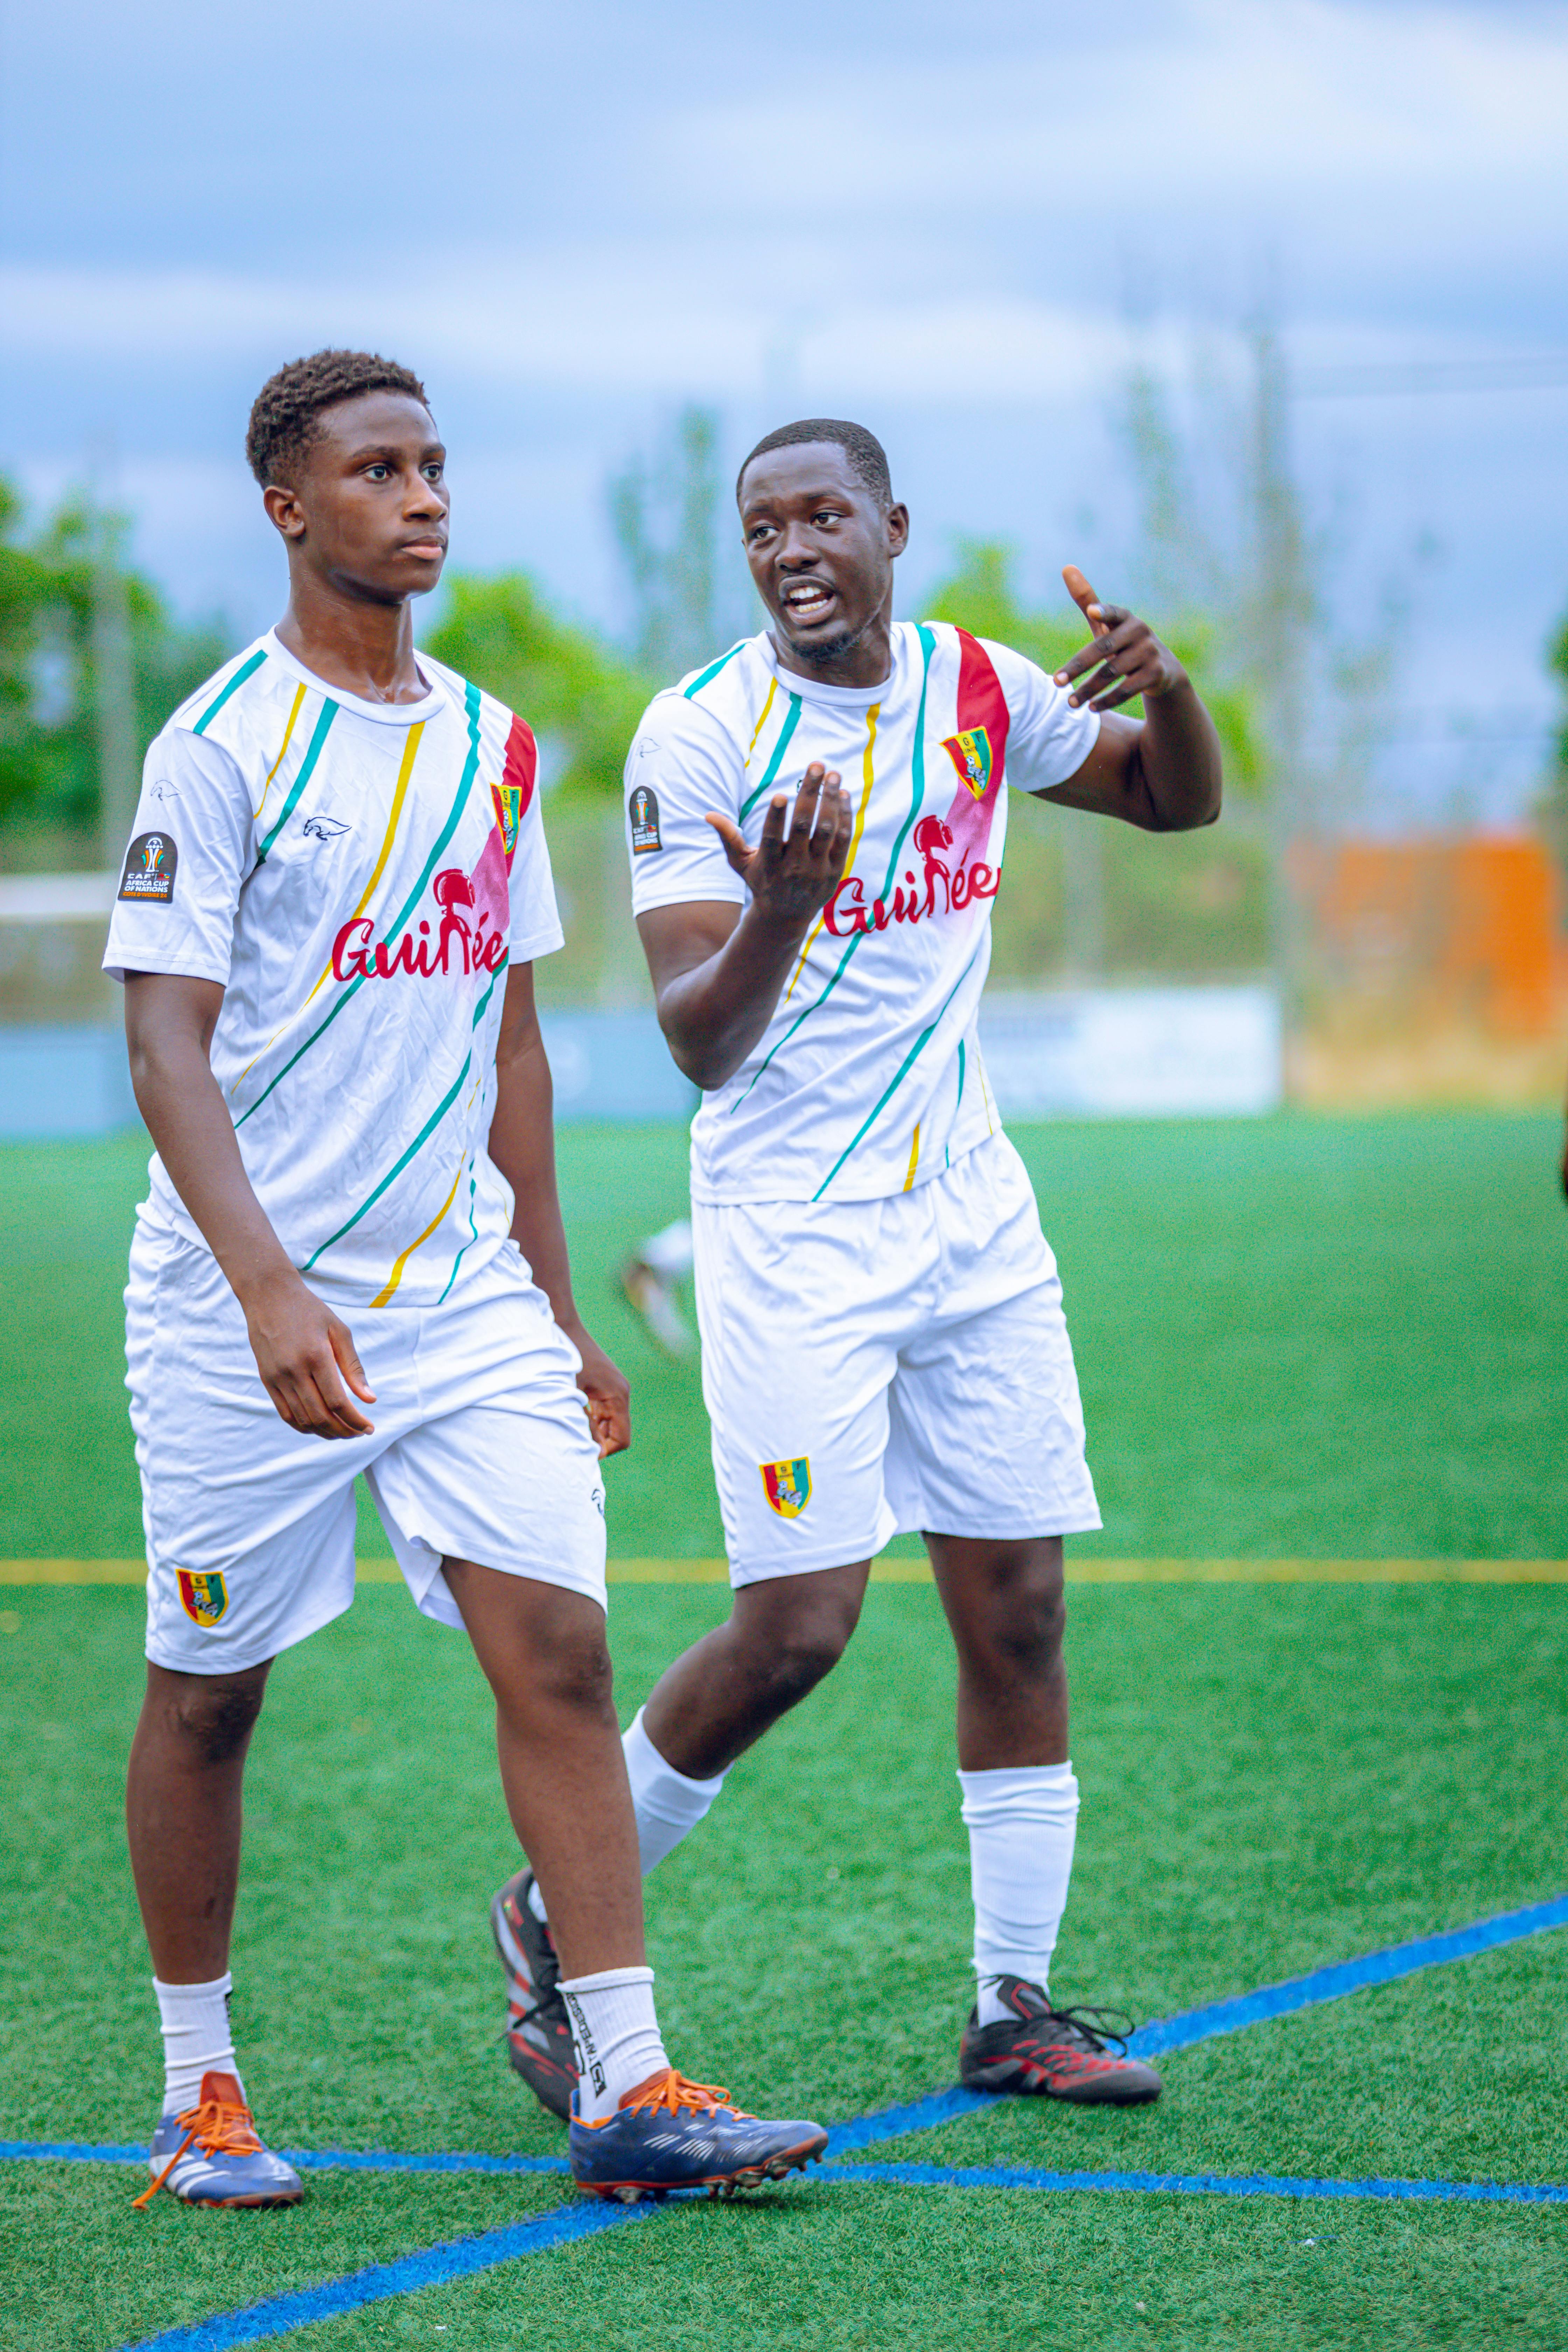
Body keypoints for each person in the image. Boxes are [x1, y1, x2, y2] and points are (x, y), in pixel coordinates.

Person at [106, 349, 825, 2209]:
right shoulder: (223, 740)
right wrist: (270, 1292)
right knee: (209, 1692)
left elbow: (514, 1046)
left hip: (461, 1304)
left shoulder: (497, 742)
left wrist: (563, 1305)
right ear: (288, 505)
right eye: (376, 471)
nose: (422, 498)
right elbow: (166, 1046)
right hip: (236, 1305)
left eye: (434, 466)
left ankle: (630, 2077)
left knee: (564, 1649)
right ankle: (202, 2098)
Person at [493, 417, 1222, 2116]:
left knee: (1022, 1614)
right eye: (761, 528)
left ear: (893, 524)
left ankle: (1013, 2005)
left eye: (823, 515)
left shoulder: (975, 686)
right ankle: (552, 1905)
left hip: (972, 1217)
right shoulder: (702, 734)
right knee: (804, 1625)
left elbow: (1171, 803)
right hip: (793, 1237)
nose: (792, 547)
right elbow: (698, 1041)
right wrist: (785, 908)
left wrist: (1166, 688)